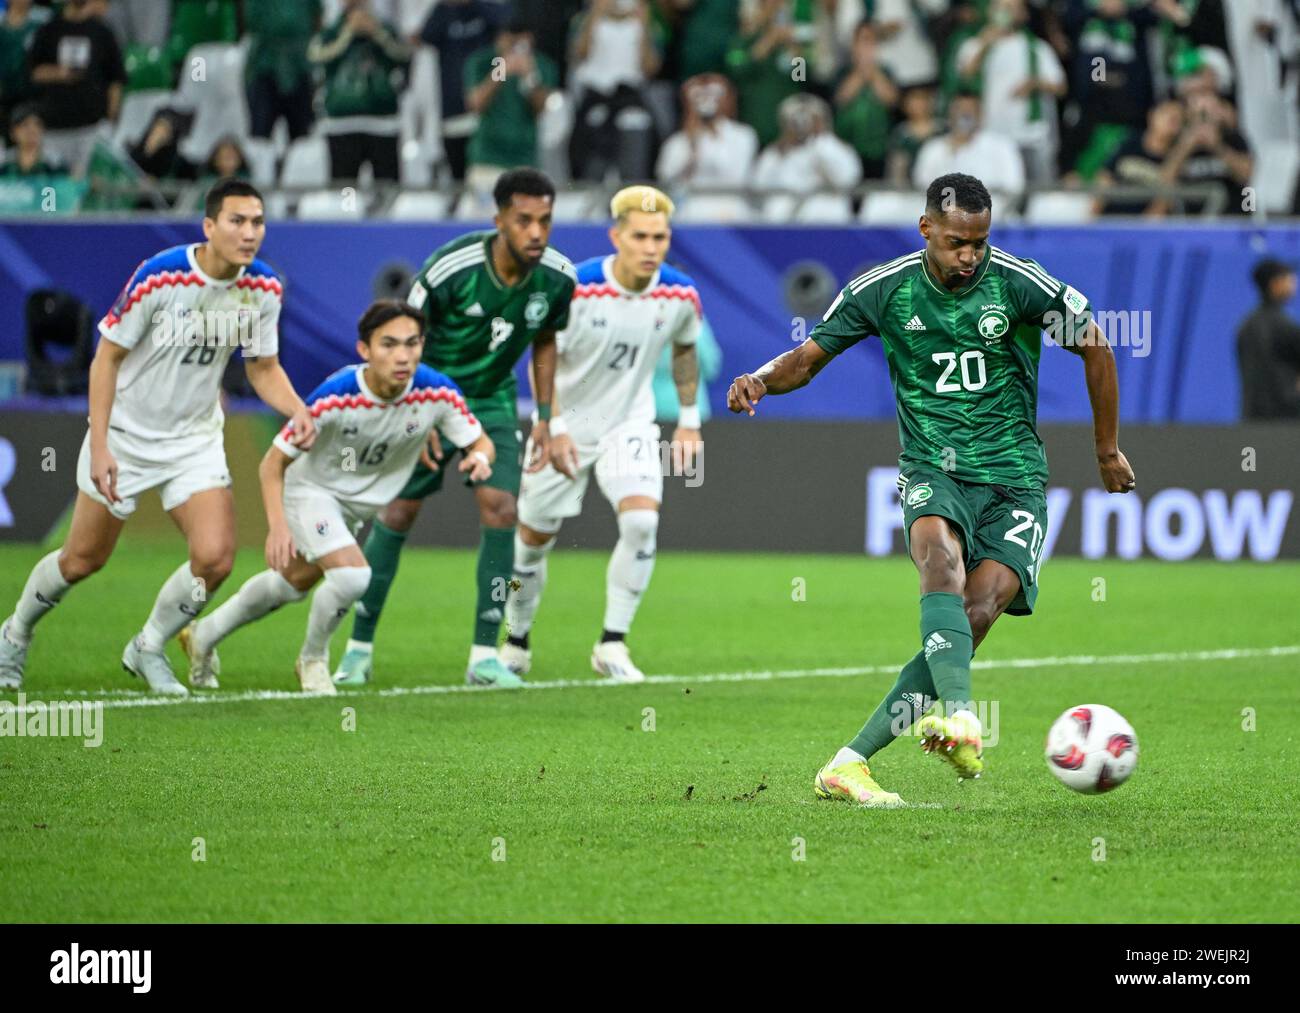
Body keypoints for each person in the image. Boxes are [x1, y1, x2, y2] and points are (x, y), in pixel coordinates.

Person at [726, 172, 1136, 805]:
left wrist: (1105, 449)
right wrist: (758, 378)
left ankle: (848, 763)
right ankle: (966, 721)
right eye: (955, 243)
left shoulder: (1019, 283)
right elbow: (806, 361)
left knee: (975, 614)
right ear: (926, 230)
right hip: (932, 468)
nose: (969, 257)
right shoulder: (883, 289)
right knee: (939, 564)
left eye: (978, 243)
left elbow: (1097, 346)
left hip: (1015, 479)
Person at [0, 178, 316, 695]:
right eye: (237, 221)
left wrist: (297, 410)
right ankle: (15, 633)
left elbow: (262, 367)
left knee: (215, 558)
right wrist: (100, 444)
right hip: (125, 435)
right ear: (209, 226)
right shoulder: (159, 276)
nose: (250, 232)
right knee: (83, 559)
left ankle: (148, 645)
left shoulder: (263, 288)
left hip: (193, 441)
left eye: (258, 222)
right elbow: (107, 358)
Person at [333, 168, 576, 690]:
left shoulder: (558, 278)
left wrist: (548, 419)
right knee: (399, 511)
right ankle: (358, 648)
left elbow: (545, 343)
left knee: (503, 508)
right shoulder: (451, 268)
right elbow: (403, 337)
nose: (537, 232)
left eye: (546, 221)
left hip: (491, 400)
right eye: (525, 220)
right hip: (429, 399)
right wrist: (414, 415)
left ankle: (485, 655)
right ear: (499, 221)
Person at [179, 301, 495, 694]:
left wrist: (479, 457)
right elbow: (272, 463)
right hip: (311, 492)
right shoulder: (336, 397)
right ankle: (312, 661)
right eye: (389, 344)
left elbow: (479, 440)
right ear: (364, 350)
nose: (403, 356)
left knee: (290, 585)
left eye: (412, 344)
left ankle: (203, 635)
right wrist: (277, 527)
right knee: (352, 576)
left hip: (353, 506)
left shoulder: (436, 392)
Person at [502, 185, 703, 684]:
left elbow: (683, 350)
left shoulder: (680, 294)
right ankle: (516, 642)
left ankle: (612, 643)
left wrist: (689, 419)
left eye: (659, 236)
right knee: (532, 543)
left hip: (628, 423)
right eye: (640, 235)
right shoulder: (575, 287)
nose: (651, 246)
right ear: (616, 236)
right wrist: (553, 425)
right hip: (563, 423)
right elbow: (543, 355)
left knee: (641, 525)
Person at [956, 0, 1067, 182]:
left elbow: (1060, 86)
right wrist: (985, 43)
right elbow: (965, 77)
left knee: (1038, 191)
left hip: (1031, 134)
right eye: (1001, 7)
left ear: (1024, 14)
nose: (1006, 12)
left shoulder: (1037, 48)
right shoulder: (974, 44)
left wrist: (1034, 84)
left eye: (1013, 8)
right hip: (990, 133)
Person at [308, 0, 411, 183]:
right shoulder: (331, 31)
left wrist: (378, 34)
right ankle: (347, 212)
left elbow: (405, 54)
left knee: (387, 187)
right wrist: (347, 34)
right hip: (342, 122)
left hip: (382, 122)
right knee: (345, 191)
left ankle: (384, 212)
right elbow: (316, 57)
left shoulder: (385, 28)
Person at [461, 22, 557, 209]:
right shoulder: (482, 61)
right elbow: (476, 103)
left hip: (525, 160)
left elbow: (540, 109)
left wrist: (530, 76)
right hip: (488, 158)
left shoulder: (542, 64)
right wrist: (502, 68)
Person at [25, 0, 125, 176]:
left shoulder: (103, 32)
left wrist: (110, 120)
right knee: (53, 188)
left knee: (87, 189)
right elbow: (34, 72)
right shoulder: (49, 30)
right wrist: (59, 73)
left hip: (92, 128)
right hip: (55, 128)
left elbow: (116, 79)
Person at [568, 0, 661, 184]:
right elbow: (579, 53)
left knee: (637, 126)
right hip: (596, 97)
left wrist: (644, 26)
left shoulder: (647, 22)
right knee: (591, 160)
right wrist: (595, 14)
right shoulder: (583, 20)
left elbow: (650, 67)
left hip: (630, 98)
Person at [418, 0, 505, 182]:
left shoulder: (488, 11)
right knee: (458, 179)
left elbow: (505, 21)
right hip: (453, 111)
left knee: (489, 178)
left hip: (487, 112)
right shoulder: (442, 12)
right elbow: (425, 36)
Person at [654, 73, 757, 220]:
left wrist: (713, 136)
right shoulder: (677, 142)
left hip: (730, 206)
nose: (706, 102)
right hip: (690, 209)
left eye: (714, 95)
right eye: (698, 97)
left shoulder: (743, 136)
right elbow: (666, 180)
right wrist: (693, 146)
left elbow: (737, 176)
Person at [753, 93, 862, 223]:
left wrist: (820, 138)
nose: (802, 123)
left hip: (826, 221)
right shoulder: (775, 152)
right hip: (783, 224)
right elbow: (757, 188)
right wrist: (783, 149)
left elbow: (847, 180)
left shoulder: (836, 148)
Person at [912, 90, 1025, 209]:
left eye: (970, 111)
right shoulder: (933, 149)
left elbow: (1014, 188)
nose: (965, 115)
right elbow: (921, 188)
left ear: (980, 116)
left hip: (990, 217)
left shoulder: (1002, 147)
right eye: (959, 110)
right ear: (949, 114)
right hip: (942, 219)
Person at [1237, 259, 1300, 420]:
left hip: (1252, 416)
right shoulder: (1284, 325)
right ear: (1275, 283)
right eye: (1289, 278)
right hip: (1285, 417)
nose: (1294, 283)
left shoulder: (1246, 325)